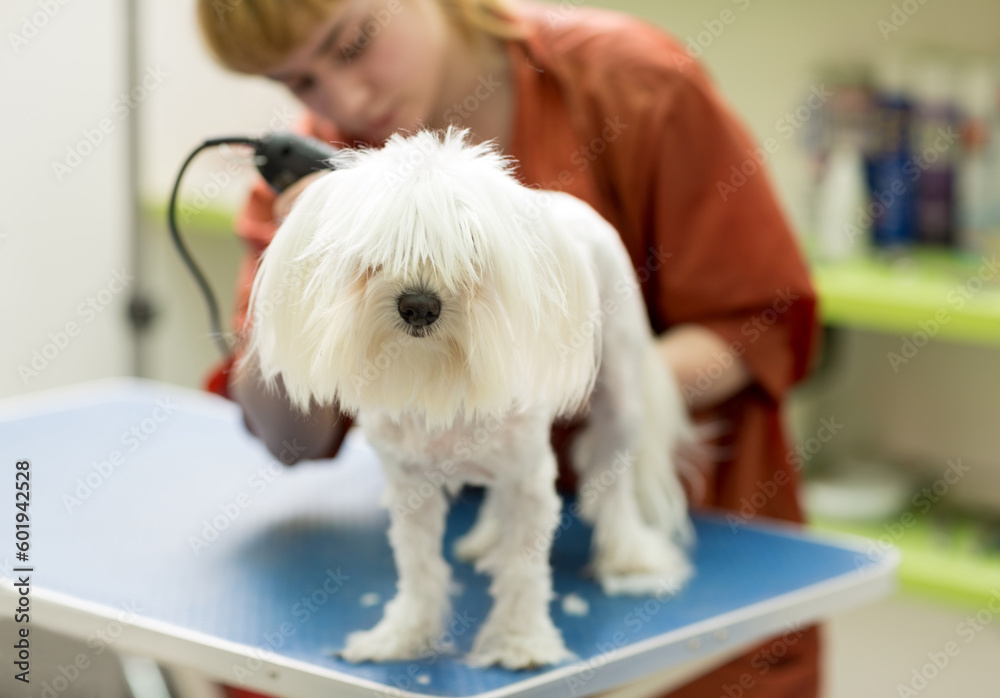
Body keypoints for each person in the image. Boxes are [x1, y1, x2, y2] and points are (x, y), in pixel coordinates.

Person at [196, 0, 822, 695]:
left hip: (703, 614)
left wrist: (550, 378)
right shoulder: (310, 172)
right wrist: (305, 289)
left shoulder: (637, 84)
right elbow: (290, 437)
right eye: (300, 82)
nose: (345, 97)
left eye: (353, 43)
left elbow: (759, 321)